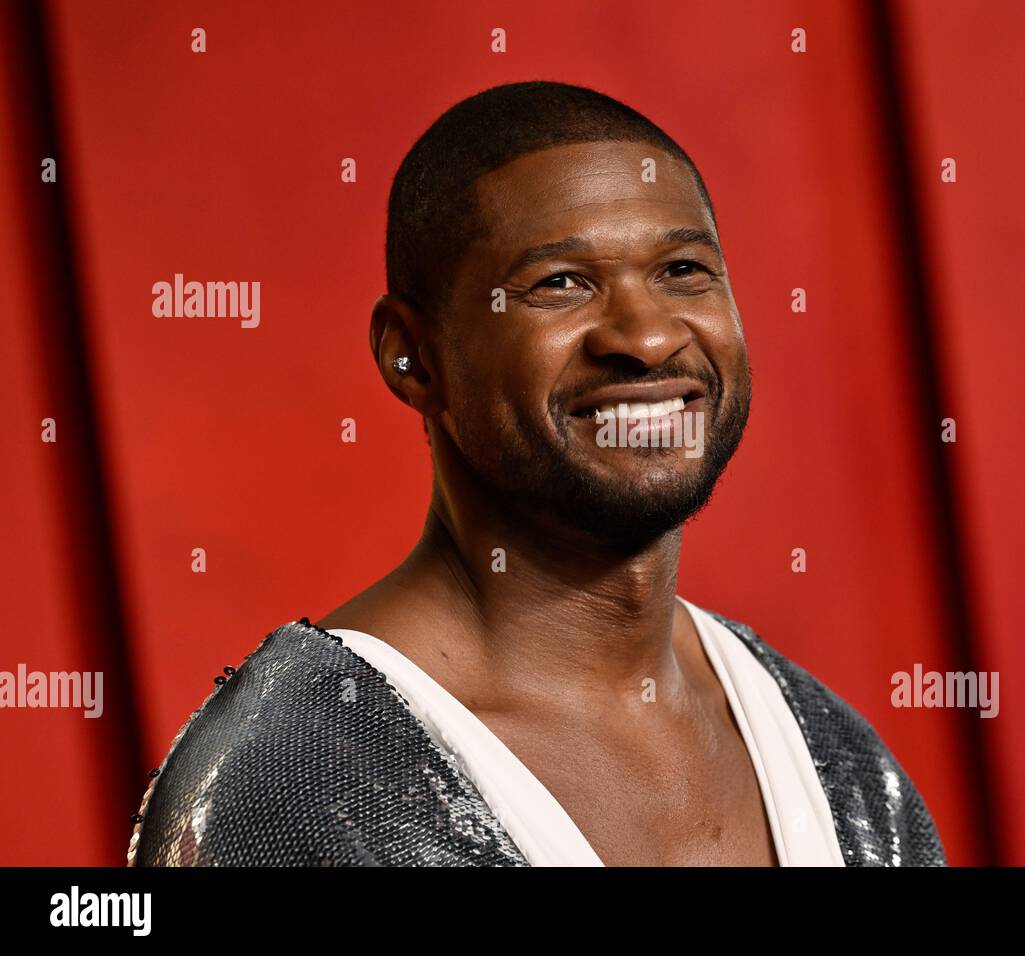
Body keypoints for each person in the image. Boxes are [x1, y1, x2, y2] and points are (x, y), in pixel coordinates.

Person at [128, 80, 945, 868]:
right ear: (410, 356)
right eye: (560, 284)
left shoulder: (829, 757)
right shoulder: (292, 785)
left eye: (683, 270)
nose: (648, 336)